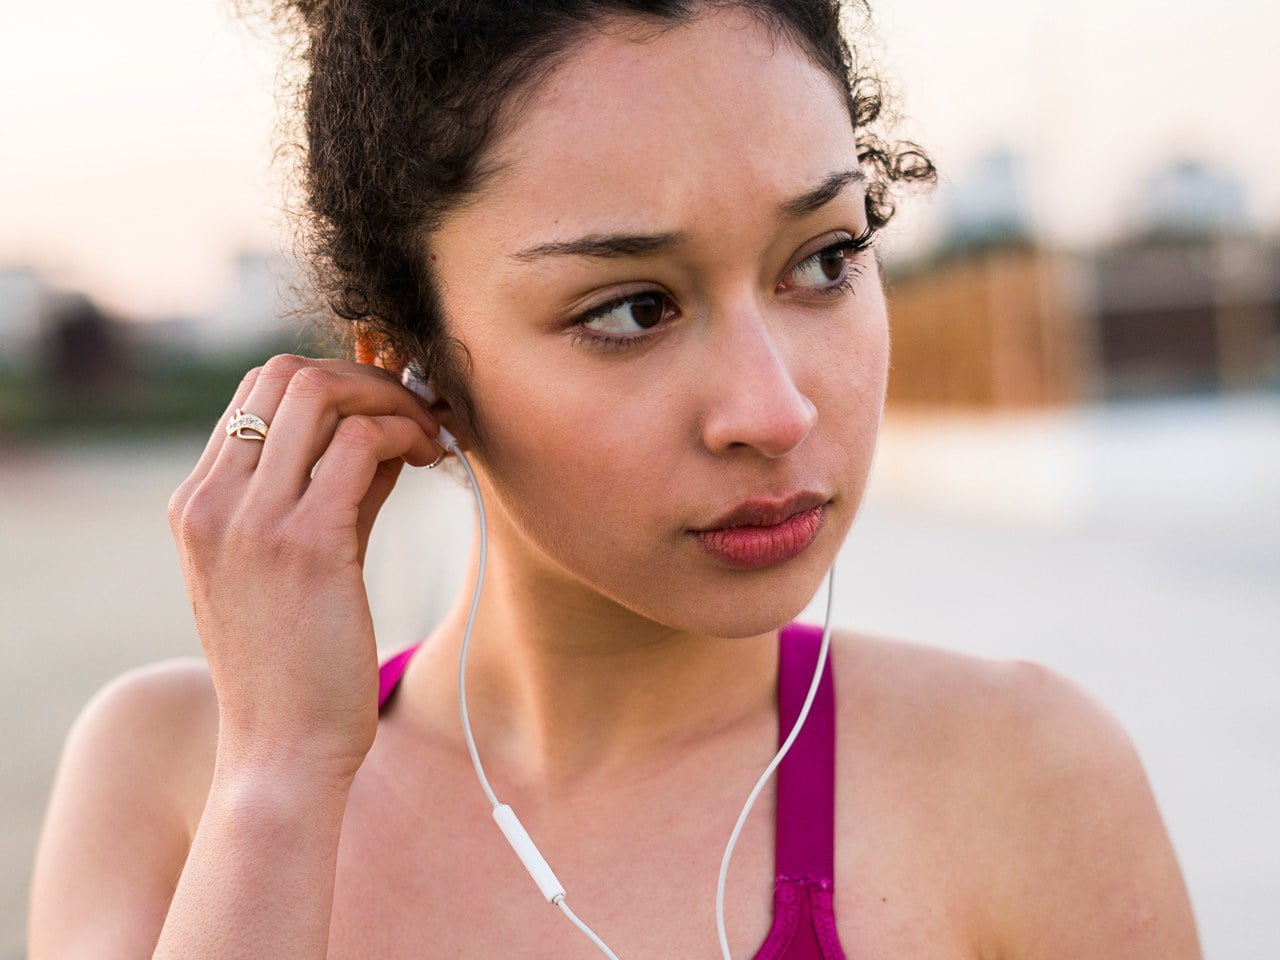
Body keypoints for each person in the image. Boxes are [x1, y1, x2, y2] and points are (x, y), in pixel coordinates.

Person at [28, 1, 1202, 958]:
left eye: (825, 258)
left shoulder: (1022, 776)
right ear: (407, 361)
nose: (774, 408)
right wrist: (278, 788)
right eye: (631, 309)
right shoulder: (175, 780)